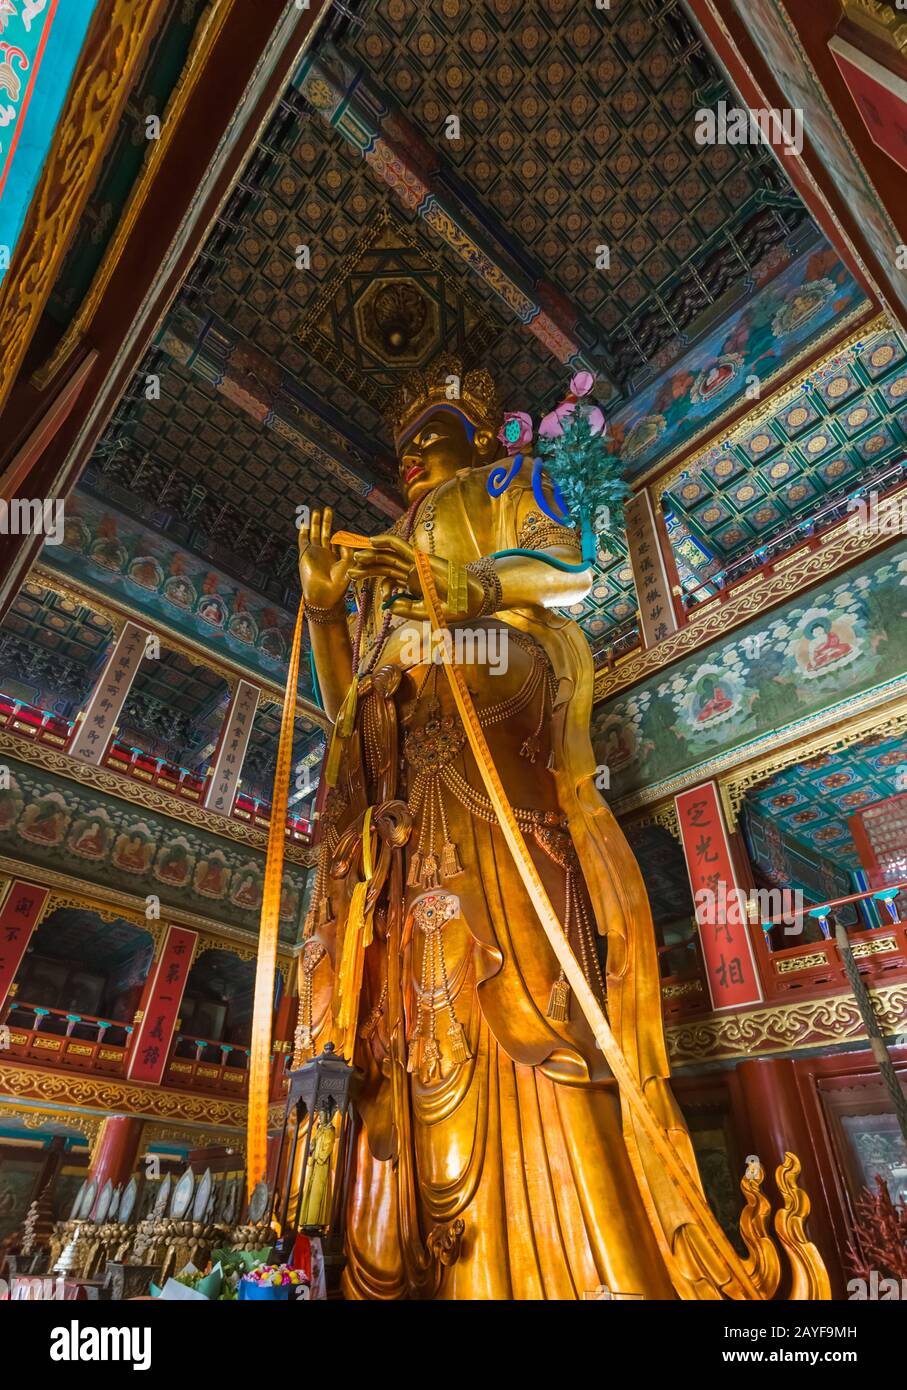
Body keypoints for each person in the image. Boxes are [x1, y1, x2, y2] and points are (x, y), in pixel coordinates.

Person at [296, 356, 713, 1300]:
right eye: (401, 446)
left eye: (430, 436)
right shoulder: (374, 552)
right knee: (388, 1018)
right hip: (391, 790)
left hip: (478, 744)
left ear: (480, 438)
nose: (411, 456)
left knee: (506, 990)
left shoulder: (500, 484)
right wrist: (328, 611)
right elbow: (342, 701)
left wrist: (461, 589)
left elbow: (567, 572)